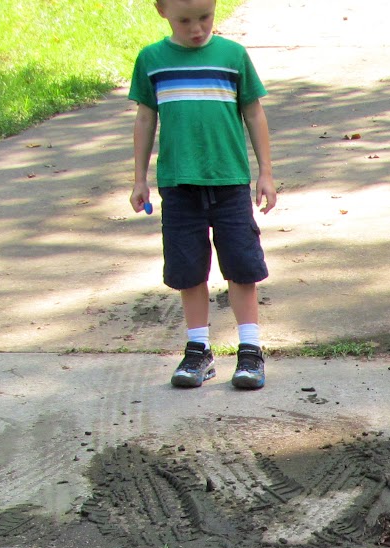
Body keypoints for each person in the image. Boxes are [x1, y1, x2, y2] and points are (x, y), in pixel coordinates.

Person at [128, 0, 276, 390]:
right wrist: (139, 178)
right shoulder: (152, 59)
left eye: (205, 18)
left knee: (243, 267)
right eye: (185, 20)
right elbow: (145, 118)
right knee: (188, 269)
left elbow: (254, 112)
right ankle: (198, 352)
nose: (196, 28)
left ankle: (250, 351)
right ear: (161, 10)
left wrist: (266, 173)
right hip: (179, 185)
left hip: (228, 182)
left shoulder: (232, 56)